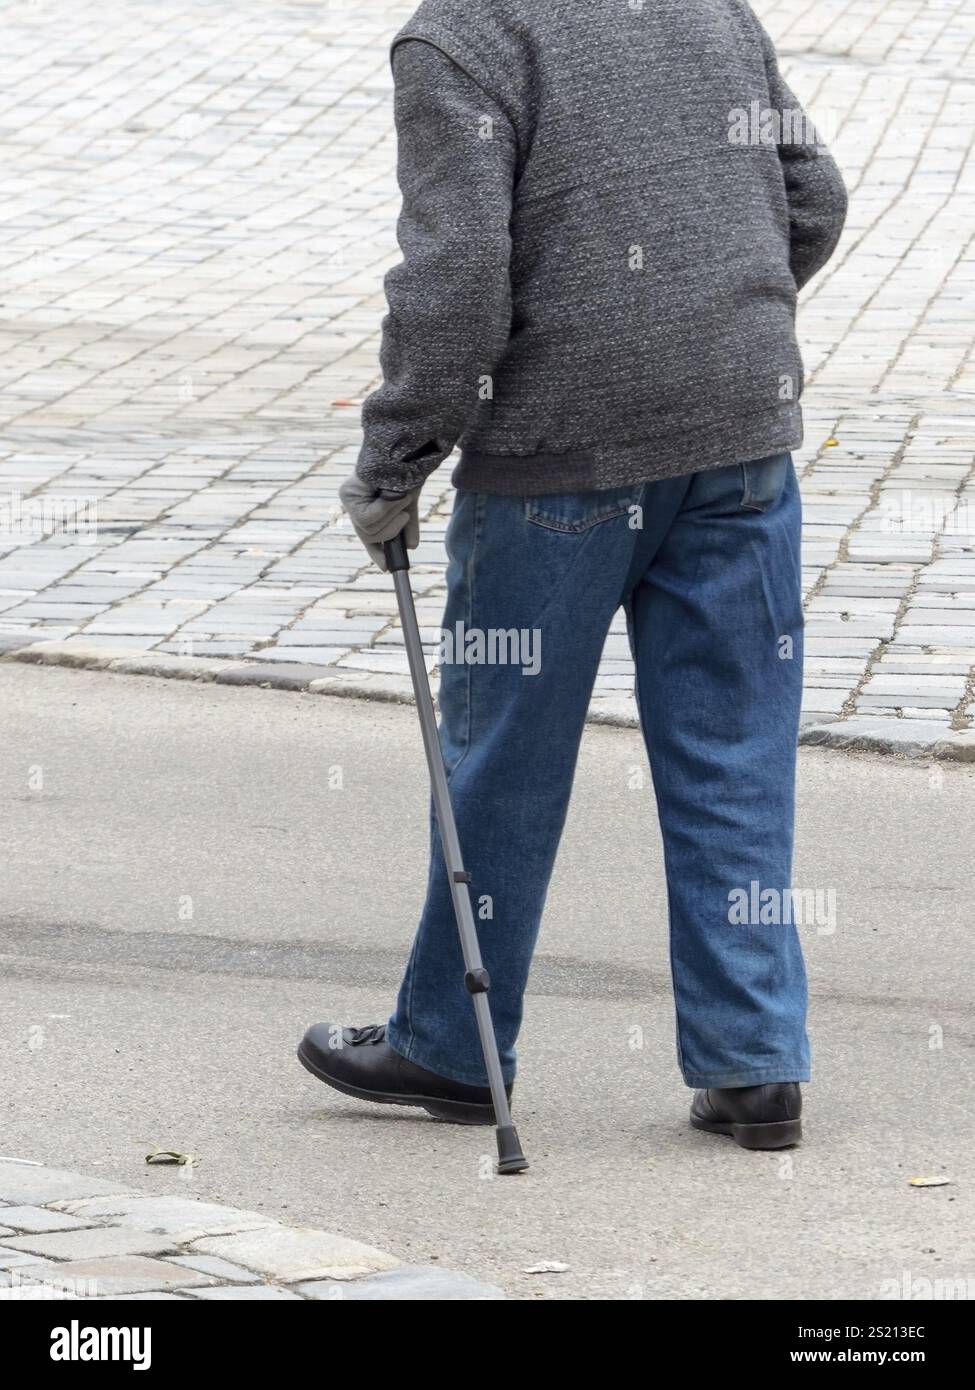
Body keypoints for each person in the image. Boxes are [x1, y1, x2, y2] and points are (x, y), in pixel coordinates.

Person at [298, 0, 847, 1150]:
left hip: (556, 462)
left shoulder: (462, 37)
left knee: (505, 754)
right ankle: (755, 1065)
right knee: (734, 747)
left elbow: (457, 281)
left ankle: (452, 1046)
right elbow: (812, 199)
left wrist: (395, 457)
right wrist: (708, 327)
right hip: (740, 433)